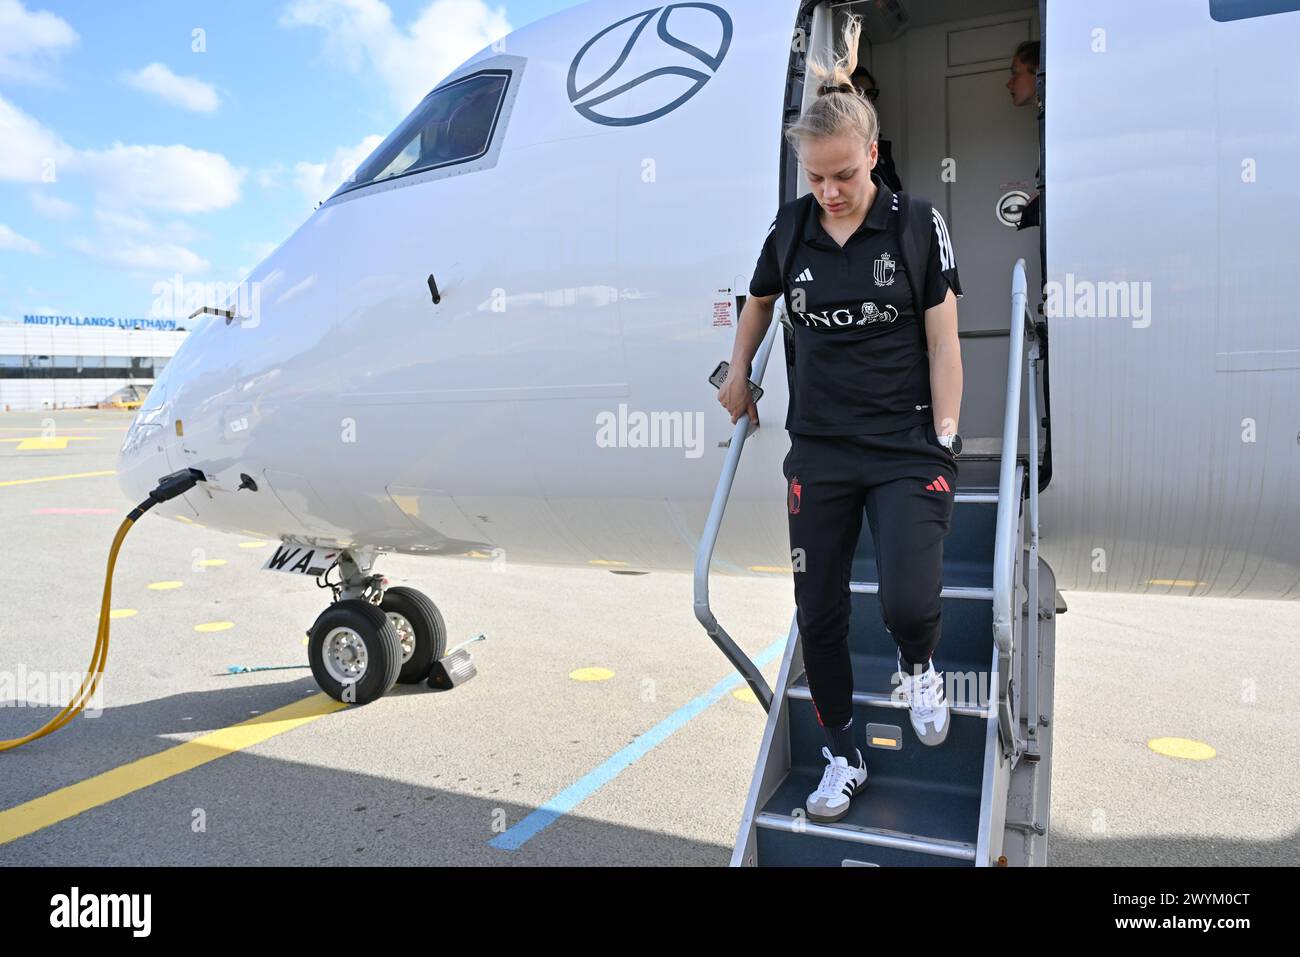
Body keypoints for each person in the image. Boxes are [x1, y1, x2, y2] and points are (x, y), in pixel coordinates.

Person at [718, 13, 963, 824]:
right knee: (817, 612)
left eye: (843, 176)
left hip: (902, 445)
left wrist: (948, 436)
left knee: (906, 600)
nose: (829, 192)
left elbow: (943, 338)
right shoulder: (789, 230)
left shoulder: (917, 224)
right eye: (815, 178)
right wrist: (738, 378)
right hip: (819, 450)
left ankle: (918, 664)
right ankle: (842, 751)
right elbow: (757, 305)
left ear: (871, 156)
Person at [849, 65, 902, 193]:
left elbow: (894, 190)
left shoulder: (881, 148)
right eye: (859, 92)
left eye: (870, 93)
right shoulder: (843, 144)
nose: (866, 99)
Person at [1007, 40, 1041, 230]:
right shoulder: (1047, 117)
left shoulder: (1061, 118)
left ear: (1038, 71)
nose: (1009, 83)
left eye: (1015, 74)